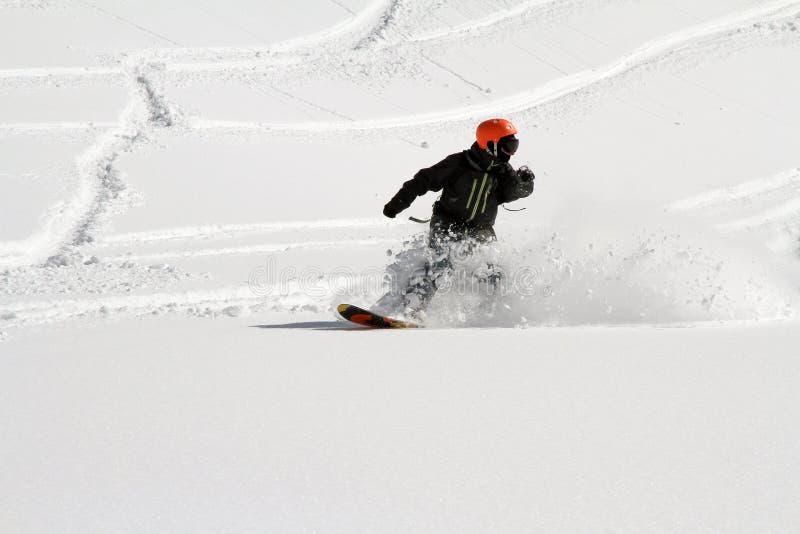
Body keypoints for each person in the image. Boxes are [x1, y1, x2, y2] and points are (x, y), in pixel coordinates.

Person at [380, 118, 535, 318]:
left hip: (481, 229)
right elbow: (423, 180)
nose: (511, 152)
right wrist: (396, 204)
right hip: (448, 221)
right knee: (441, 264)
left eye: (514, 146)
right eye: (508, 146)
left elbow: (513, 192)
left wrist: (525, 182)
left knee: (493, 272)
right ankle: (412, 308)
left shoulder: (504, 172)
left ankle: (492, 314)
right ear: (490, 144)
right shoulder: (460, 163)